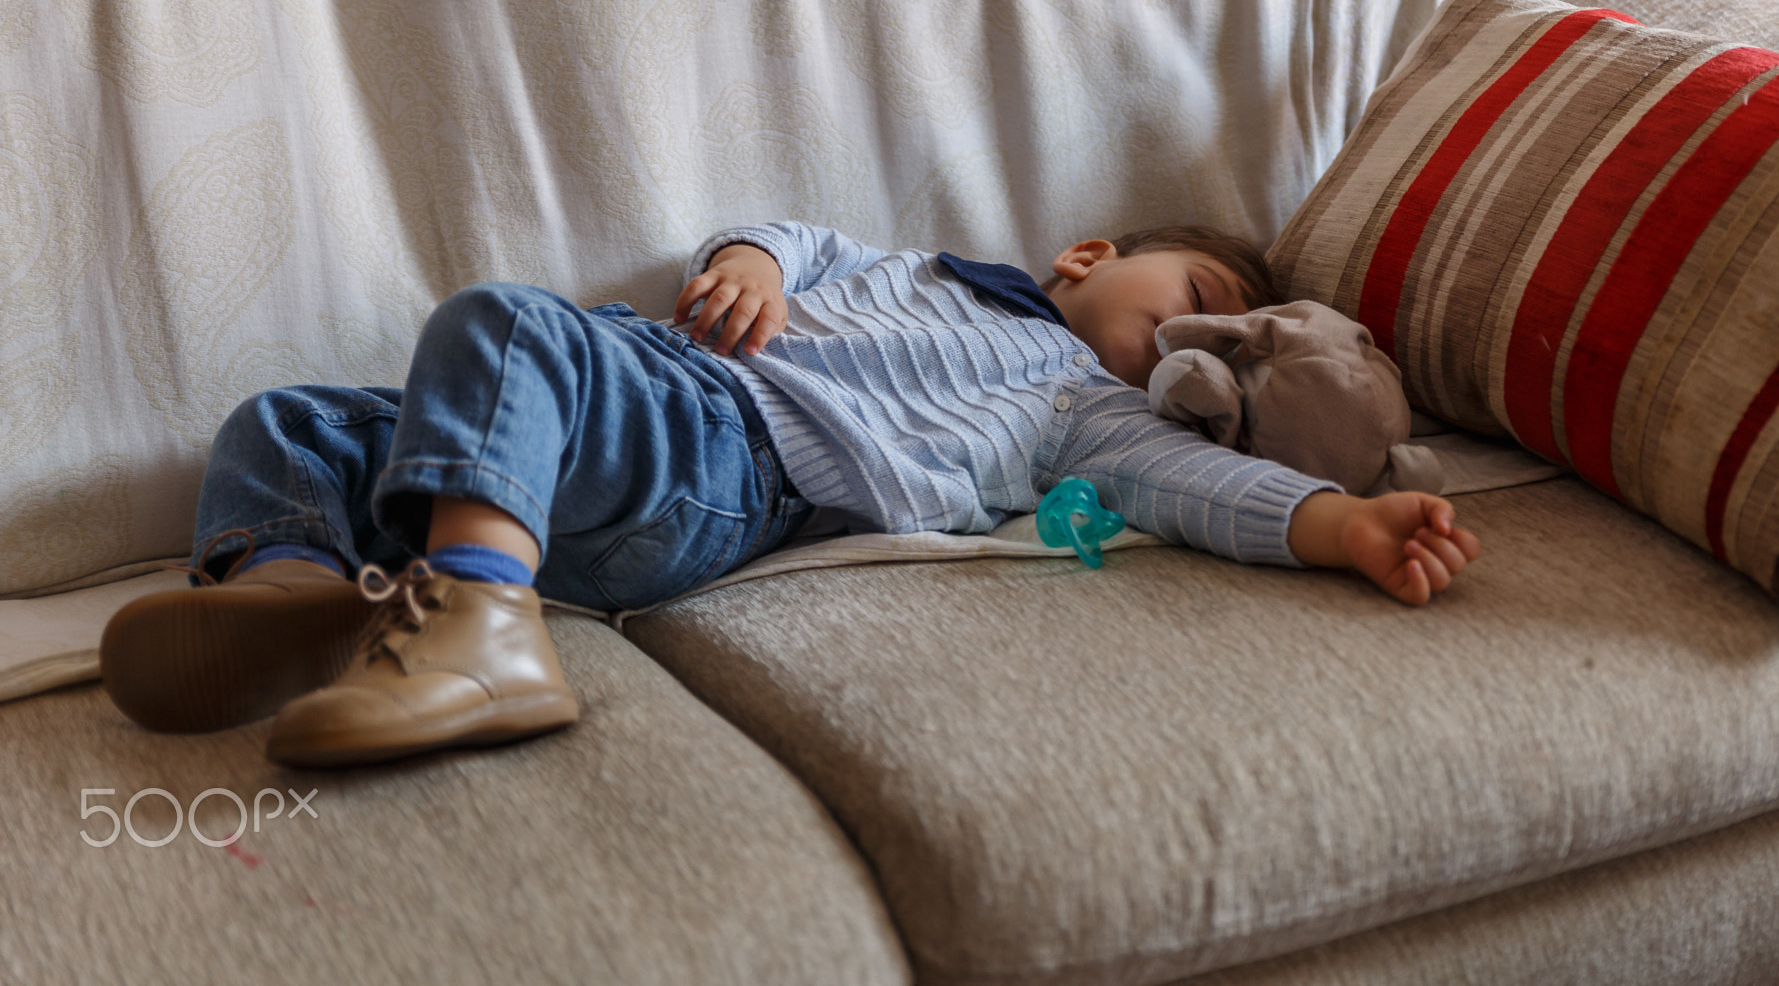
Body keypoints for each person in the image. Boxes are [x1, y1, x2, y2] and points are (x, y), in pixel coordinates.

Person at [99, 222, 1480, 768]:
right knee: (292, 419)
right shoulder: (918, 263)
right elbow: (789, 239)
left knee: (504, 325)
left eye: (1220, 349)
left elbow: (1203, 485)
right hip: (617, 409)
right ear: (1087, 249)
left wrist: (1343, 523)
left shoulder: (1091, 412)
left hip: (735, 465)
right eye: (1197, 302)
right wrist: (754, 263)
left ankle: (484, 624)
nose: (1194, 346)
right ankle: (297, 597)